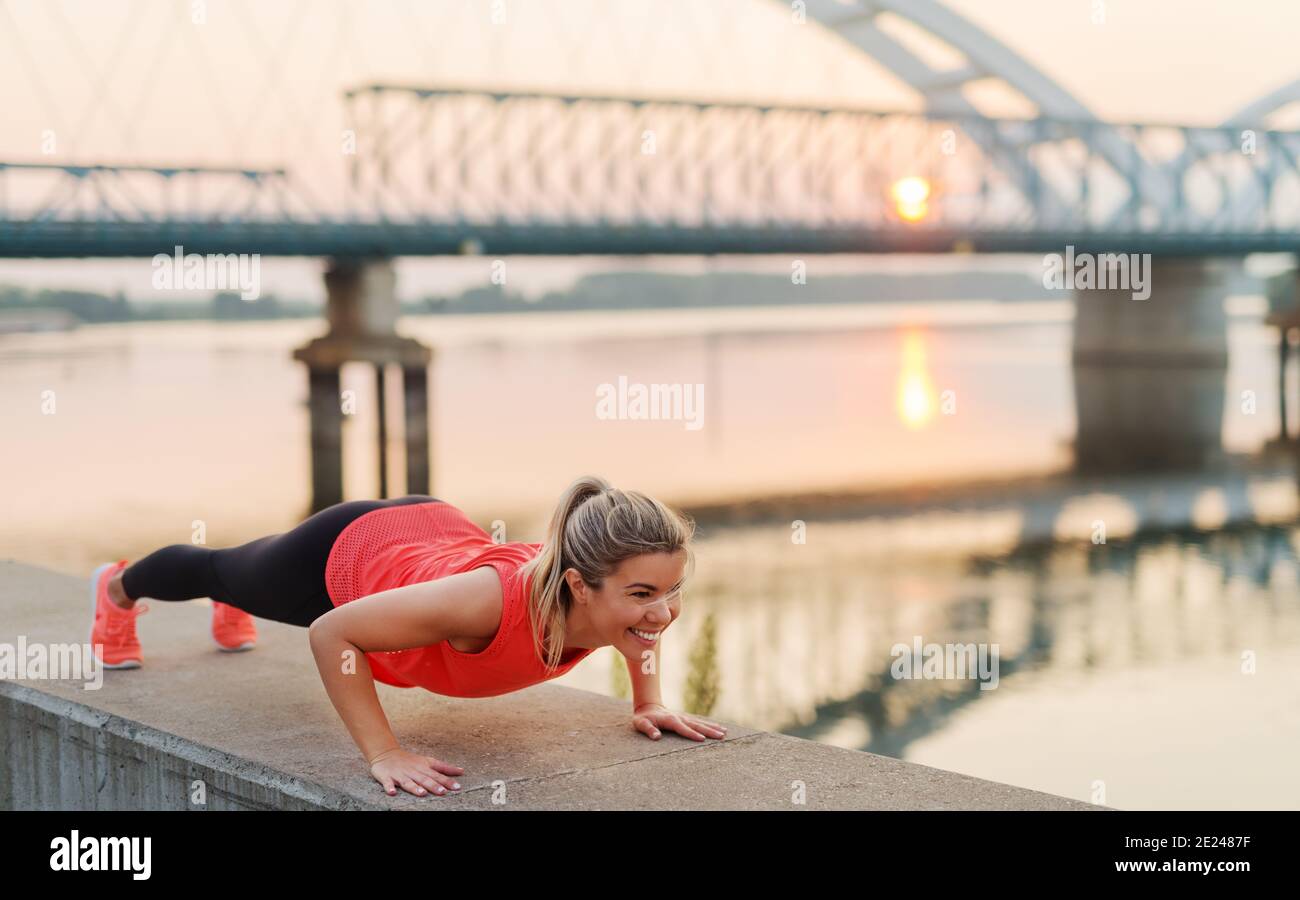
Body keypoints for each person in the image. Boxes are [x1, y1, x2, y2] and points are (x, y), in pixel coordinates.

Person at [87, 474, 727, 798]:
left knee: (238, 583)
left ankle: (234, 603)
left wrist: (649, 701)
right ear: (577, 585)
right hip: (350, 551)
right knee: (219, 569)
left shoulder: (616, 597)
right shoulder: (486, 604)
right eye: (643, 595)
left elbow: (641, 628)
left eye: (672, 590)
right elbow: (332, 632)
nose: (663, 614)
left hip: (435, 537)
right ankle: (117, 589)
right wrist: (383, 753)